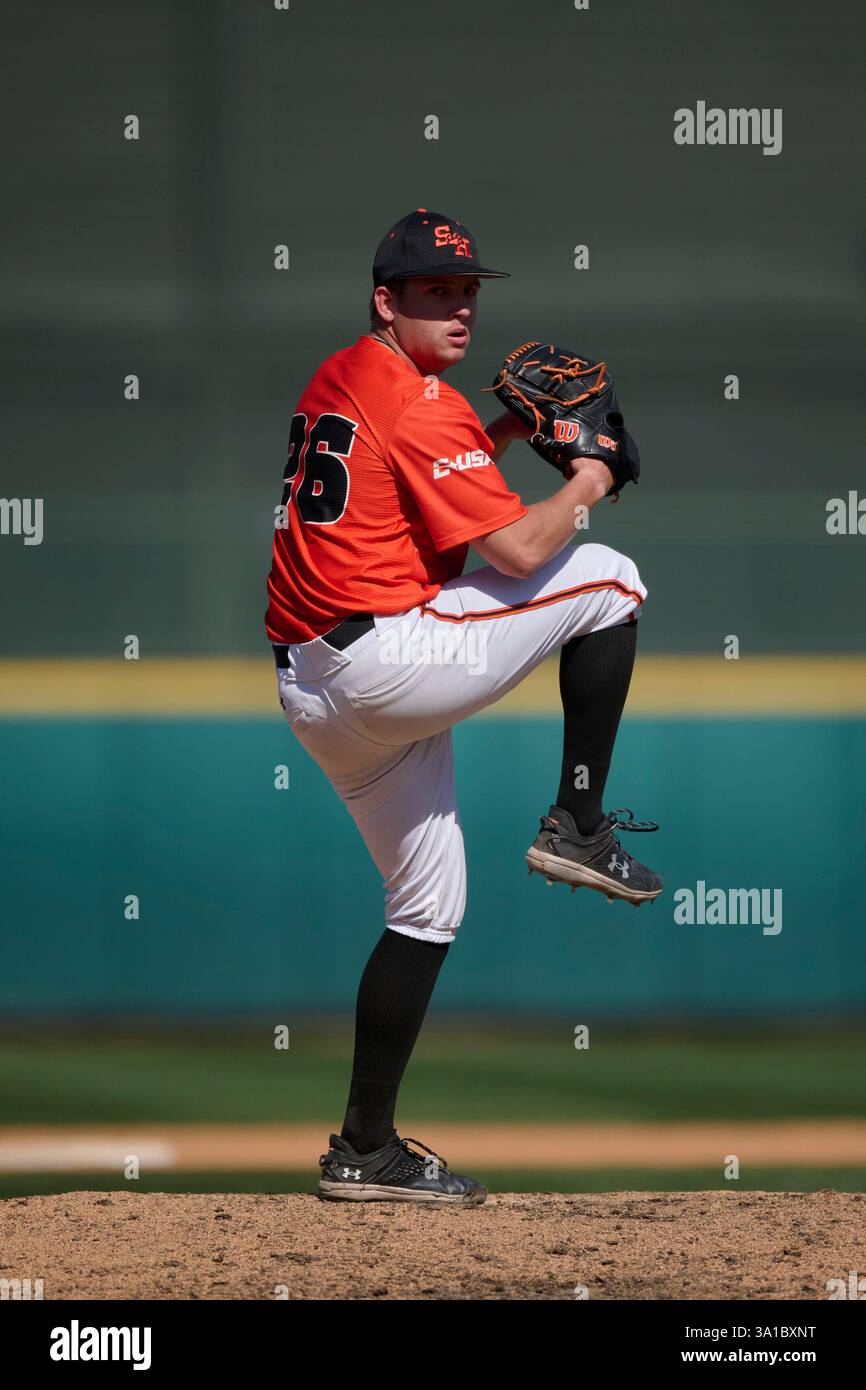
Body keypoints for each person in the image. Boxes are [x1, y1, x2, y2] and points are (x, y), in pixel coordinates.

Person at [265, 208, 662, 1205]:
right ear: (384, 298)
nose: (457, 308)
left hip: (312, 686)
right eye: (433, 292)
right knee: (607, 578)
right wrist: (587, 471)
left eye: (467, 291)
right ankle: (577, 821)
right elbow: (523, 553)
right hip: (384, 664)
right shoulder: (425, 405)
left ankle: (363, 1149)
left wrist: (501, 428)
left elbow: (411, 497)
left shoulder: (340, 376)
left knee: (427, 903)